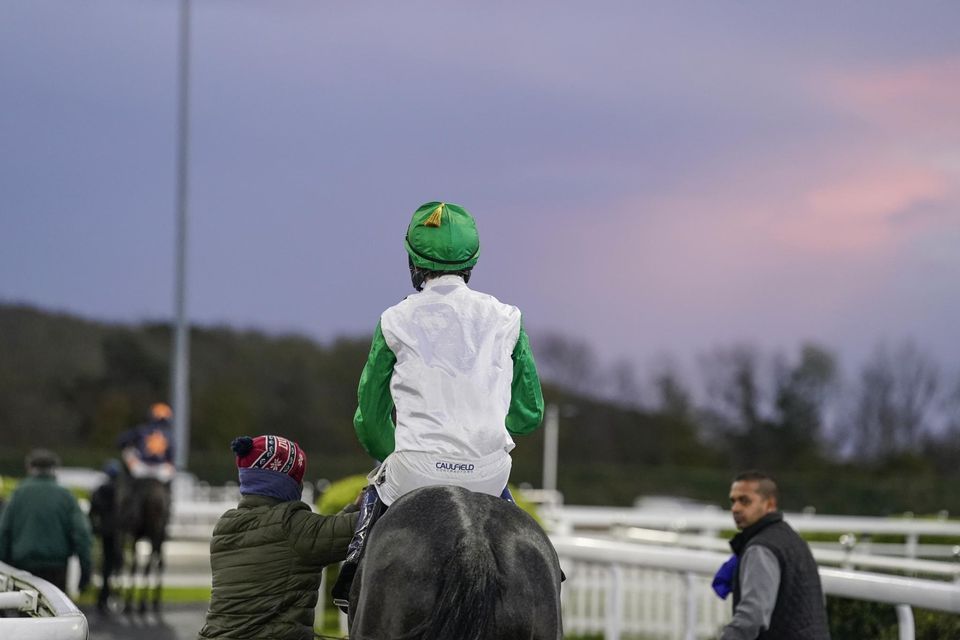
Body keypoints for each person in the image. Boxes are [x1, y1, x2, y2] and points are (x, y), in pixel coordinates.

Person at [332, 201, 545, 609]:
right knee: (517, 528)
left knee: (376, 487)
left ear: (414, 261)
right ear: (472, 261)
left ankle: (350, 578)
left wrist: (390, 453)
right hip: (489, 473)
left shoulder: (394, 319)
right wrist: (489, 431)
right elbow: (529, 413)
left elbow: (370, 416)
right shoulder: (508, 318)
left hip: (414, 472)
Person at [198, 434, 359, 640]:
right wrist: (375, 502)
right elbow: (348, 531)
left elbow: (321, 536)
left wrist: (353, 507)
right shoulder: (290, 524)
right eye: (298, 478)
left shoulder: (226, 525)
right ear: (285, 484)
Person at [714, 470, 830, 640]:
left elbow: (752, 616)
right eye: (733, 501)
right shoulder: (789, 537)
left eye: (745, 501)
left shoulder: (761, 548)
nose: (735, 508)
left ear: (769, 504)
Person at [0, 449, 92, 595]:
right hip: (57, 567)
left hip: (23, 567)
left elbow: (3, 532)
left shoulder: (18, 494)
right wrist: (86, 573)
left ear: (30, 468)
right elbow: (82, 534)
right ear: (54, 469)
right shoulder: (66, 496)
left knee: (24, 613)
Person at [115, 402, 176, 524]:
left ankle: (124, 507)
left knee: (129, 482)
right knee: (168, 486)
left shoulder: (141, 430)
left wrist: (129, 456)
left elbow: (121, 442)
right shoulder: (170, 435)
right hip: (160, 470)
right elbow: (171, 457)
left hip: (141, 468)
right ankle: (167, 513)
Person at [88, 459, 123, 613]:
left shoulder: (99, 491)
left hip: (103, 532)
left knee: (105, 566)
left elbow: (92, 512)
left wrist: (96, 528)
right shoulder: (120, 491)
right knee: (113, 566)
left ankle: (102, 597)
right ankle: (108, 597)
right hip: (115, 533)